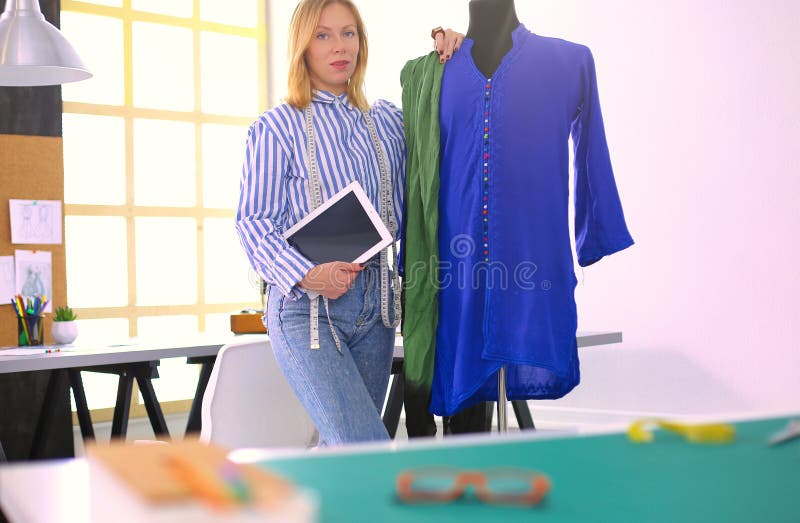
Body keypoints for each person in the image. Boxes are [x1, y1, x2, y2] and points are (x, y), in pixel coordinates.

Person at [235, 0, 463, 446]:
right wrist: (307, 273)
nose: (340, 47)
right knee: (366, 448)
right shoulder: (276, 127)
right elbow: (253, 224)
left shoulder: (390, 122)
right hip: (306, 310)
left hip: (377, 311)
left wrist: (454, 55)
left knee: (344, 457)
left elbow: (443, 138)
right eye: (322, 35)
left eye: (348, 33)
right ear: (302, 46)